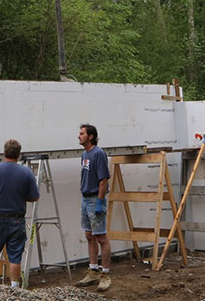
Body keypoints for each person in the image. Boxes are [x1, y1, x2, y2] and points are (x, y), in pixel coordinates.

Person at [0, 138, 40, 287]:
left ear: (4, 153)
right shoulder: (26, 172)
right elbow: (35, 197)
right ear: (18, 155)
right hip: (17, 220)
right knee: (15, 257)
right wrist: (21, 196)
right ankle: (15, 287)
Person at [75, 123, 111, 292]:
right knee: (89, 235)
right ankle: (93, 271)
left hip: (95, 198)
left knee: (101, 237)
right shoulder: (85, 154)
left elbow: (103, 179)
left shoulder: (98, 154)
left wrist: (99, 201)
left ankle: (105, 274)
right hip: (85, 198)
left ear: (90, 136)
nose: (79, 136)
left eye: (82, 133)